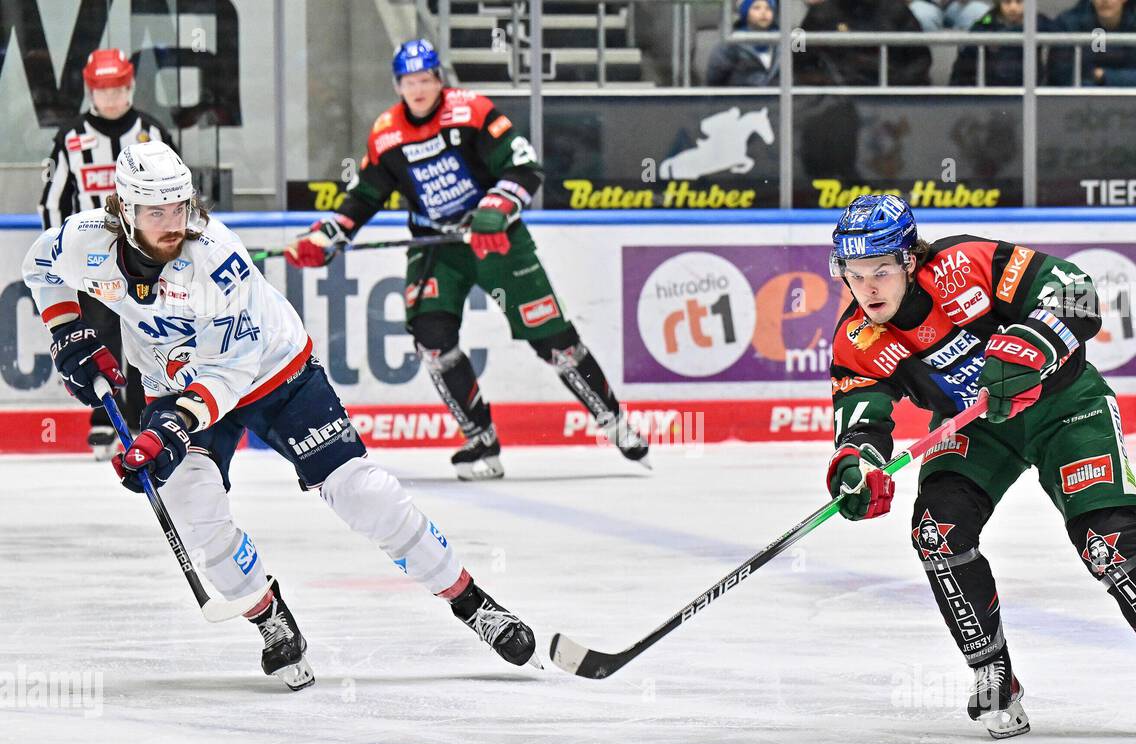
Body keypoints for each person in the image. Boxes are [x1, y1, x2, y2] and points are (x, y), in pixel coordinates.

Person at [22, 142, 538, 689]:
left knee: (362, 492)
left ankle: (472, 602)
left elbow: (229, 372)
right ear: (124, 211)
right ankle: (269, 618)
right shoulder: (86, 242)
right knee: (193, 506)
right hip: (175, 386)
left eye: (181, 207)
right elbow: (41, 266)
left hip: (273, 374)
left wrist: (170, 428)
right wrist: (66, 332)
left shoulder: (216, 256)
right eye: (157, 213)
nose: (174, 223)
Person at [823, 194, 1136, 741]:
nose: (867, 288)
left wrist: (1033, 342)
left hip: (1065, 407)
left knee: (1105, 537)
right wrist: (857, 466)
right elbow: (861, 425)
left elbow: (1077, 293)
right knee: (937, 531)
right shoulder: (859, 339)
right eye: (853, 274)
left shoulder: (964, 264)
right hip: (976, 426)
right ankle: (993, 670)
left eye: (880, 270)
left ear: (908, 259)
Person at [285, 39, 648, 480]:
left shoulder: (472, 112)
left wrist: (495, 209)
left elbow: (525, 167)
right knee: (432, 339)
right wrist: (328, 235)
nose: (418, 89)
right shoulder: (386, 133)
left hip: (495, 242)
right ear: (398, 85)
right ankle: (481, 440)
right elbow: (365, 196)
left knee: (553, 340)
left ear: (439, 79)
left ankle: (615, 421)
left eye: (425, 79)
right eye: (408, 81)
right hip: (437, 248)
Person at [39, 49, 175, 460]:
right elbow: (52, 203)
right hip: (94, 256)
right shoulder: (70, 138)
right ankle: (103, 414)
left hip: (146, 255)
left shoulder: (151, 131)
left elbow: (175, 193)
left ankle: (140, 413)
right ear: (90, 91)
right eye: (103, 89)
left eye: (118, 88)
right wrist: (60, 256)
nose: (111, 98)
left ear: (130, 86)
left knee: (145, 330)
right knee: (98, 330)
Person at [793, 0, 932, 87]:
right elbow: (798, 51)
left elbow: (922, 58)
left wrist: (895, 82)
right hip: (835, 98)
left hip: (891, 96)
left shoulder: (898, 12)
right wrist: (822, 79)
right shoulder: (820, 13)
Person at [1046, 0, 1136, 87]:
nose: (1104, 1)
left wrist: (1103, 76)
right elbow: (1060, 76)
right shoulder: (1068, 24)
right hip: (1078, 109)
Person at [950, 0, 1053, 86]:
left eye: (1019, 2)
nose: (1013, 8)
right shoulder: (986, 23)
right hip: (993, 92)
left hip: (1029, 90)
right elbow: (965, 62)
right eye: (1007, 2)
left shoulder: (1040, 22)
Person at [706, 0, 779, 86]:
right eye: (756, 8)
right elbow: (714, 80)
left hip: (778, 97)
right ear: (745, 12)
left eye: (768, 8)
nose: (764, 13)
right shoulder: (730, 43)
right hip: (740, 98)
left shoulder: (781, 42)